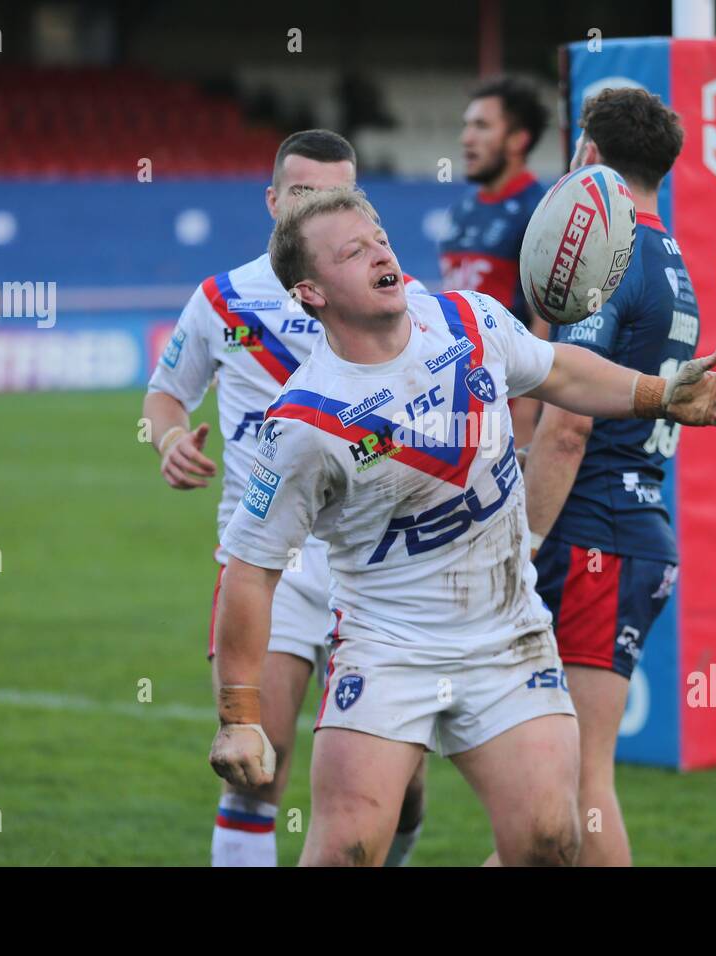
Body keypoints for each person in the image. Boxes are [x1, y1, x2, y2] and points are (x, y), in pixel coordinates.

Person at [208, 185, 716, 866]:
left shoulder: (468, 321)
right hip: (388, 649)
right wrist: (238, 719)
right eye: (352, 252)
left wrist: (658, 396)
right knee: (345, 851)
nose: (380, 251)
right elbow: (250, 572)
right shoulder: (302, 424)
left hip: (507, 635)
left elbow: (559, 371)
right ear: (312, 293)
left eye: (378, 236)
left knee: (552, 843)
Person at [143, 131, 427, 867]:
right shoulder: (221, 300)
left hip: (381, 563)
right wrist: (168, 439)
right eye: (306, 193)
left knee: (403, 789)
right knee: (253, 766)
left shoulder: (401, 297)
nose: (325, 206)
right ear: (273, 202)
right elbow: (165, 396)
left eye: (343, 194)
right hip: (272, 564)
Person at [520, 88, 697, 866]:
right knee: (554, 794)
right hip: (631, 526)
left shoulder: (605, 255)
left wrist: (517, 545)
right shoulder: (671, 257)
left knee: (580, 787)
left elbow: (568, 424)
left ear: (586, 155)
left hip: (596, 532)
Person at [438, 76, 549, 447]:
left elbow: (545, 318)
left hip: (511, 401)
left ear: (518, 139)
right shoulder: (462, 211)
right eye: (467, 125)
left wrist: (529, 410)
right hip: (459, 398)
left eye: (481, 126)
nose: (466, 138)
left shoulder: (542, 210)